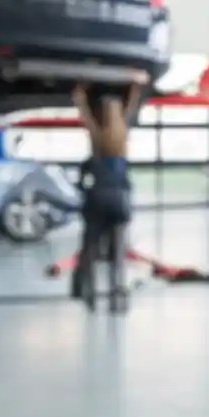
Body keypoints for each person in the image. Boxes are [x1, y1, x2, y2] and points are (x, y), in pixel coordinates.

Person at [70, 81, 142, 313]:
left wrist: (80, 98)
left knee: (90, 247)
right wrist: (134, 90)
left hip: (98, 200)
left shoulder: (97, 139)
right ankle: (117, 293)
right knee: (118, 251)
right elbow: (130, 110)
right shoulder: (122, 138)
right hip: (120, 202)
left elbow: (86, 118)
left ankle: (89, 293)